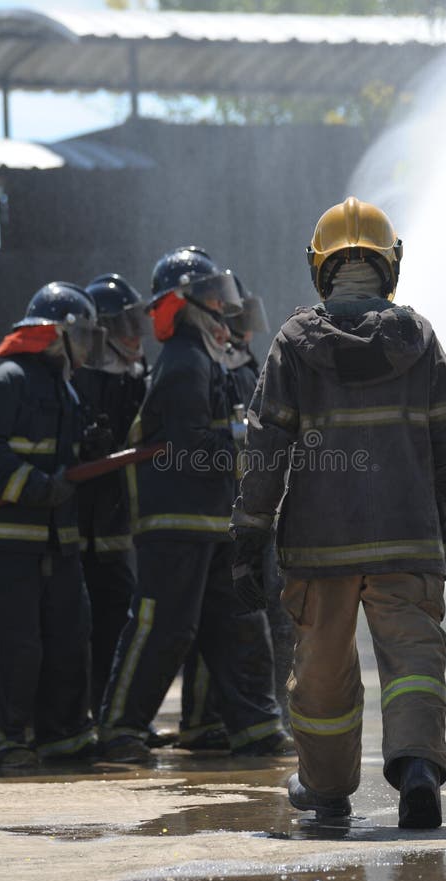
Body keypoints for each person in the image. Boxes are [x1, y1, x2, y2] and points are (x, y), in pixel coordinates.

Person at [230, 197, 446, 826]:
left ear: (322, 266)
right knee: (413, 660)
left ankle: (326, 786)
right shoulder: (418, 341)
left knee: (321, 675)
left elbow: (265, 449)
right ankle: (417, 766)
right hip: (408, 540)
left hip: (320, 548)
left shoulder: (292, 343)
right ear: (390, 264)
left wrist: (249, 533)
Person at [98, 247, 289, 763]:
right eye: (209, 296)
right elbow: (189, 446)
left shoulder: (207, 357)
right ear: (180, 306)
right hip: (177, 522)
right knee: (163, 627)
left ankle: (256, 725)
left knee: (240, 623)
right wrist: (240, 451)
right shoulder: (185, 361)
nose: (220, 307)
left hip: (214, 520)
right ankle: (121, 730)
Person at [0, 282, 105, 770]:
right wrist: (36, 485)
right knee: (8, 644)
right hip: (3, 545)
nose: (88, 347)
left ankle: (63, 736)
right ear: (56, 334)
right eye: (82, 335)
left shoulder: (61, 386)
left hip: (54, 543)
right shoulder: (8, 380)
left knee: (68, 635)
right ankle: (3, 742)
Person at [178, 283, 294, 749]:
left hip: (257, 515)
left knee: (269, 620)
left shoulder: (245, 370)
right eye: (234, 319)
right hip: (235, 518)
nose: (243, 330)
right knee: (231, 621)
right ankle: (209, 719)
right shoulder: (212, 371)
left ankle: (261, 713)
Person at [72, 273, 148, 721]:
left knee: (117, 622)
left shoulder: (135, 379)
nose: (134, 336)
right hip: (73, 533)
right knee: (75, 628)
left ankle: (105, 712)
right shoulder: (73, 380)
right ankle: (77, 715)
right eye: (123, 326)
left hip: (115, 533)